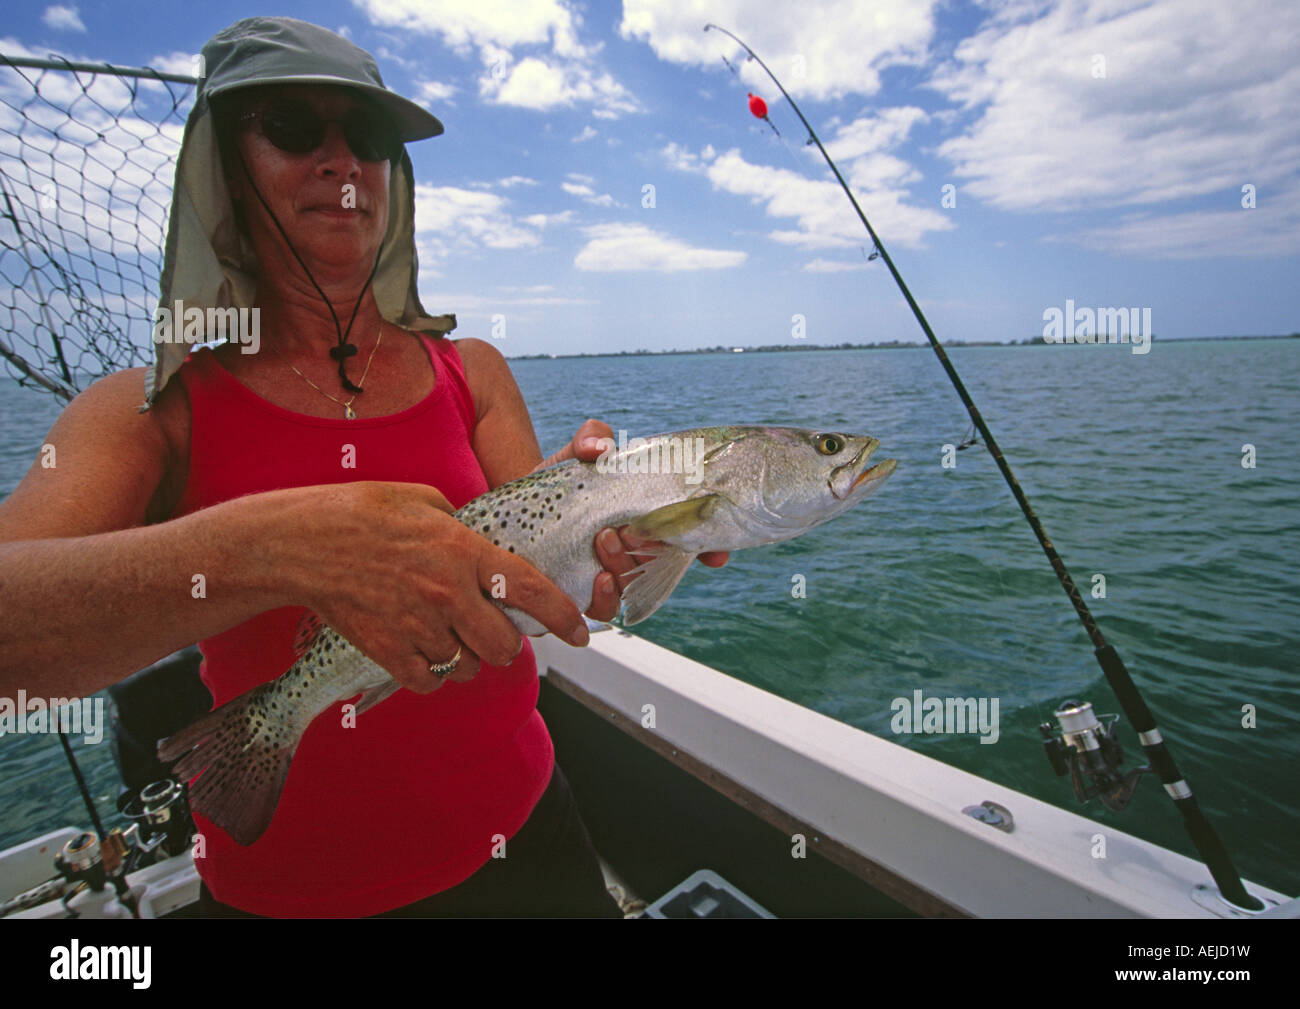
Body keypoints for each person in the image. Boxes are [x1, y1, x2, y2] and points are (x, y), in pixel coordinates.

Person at [0, 16, 725, 917]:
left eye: (370, 138)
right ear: (227, 168)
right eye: (296, 130)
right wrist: (278, 548)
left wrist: (613, 545)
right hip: (293, 892)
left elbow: (546, 586)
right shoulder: (151, 410)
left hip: (528, 829)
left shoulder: (476, 372)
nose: (343, 163)